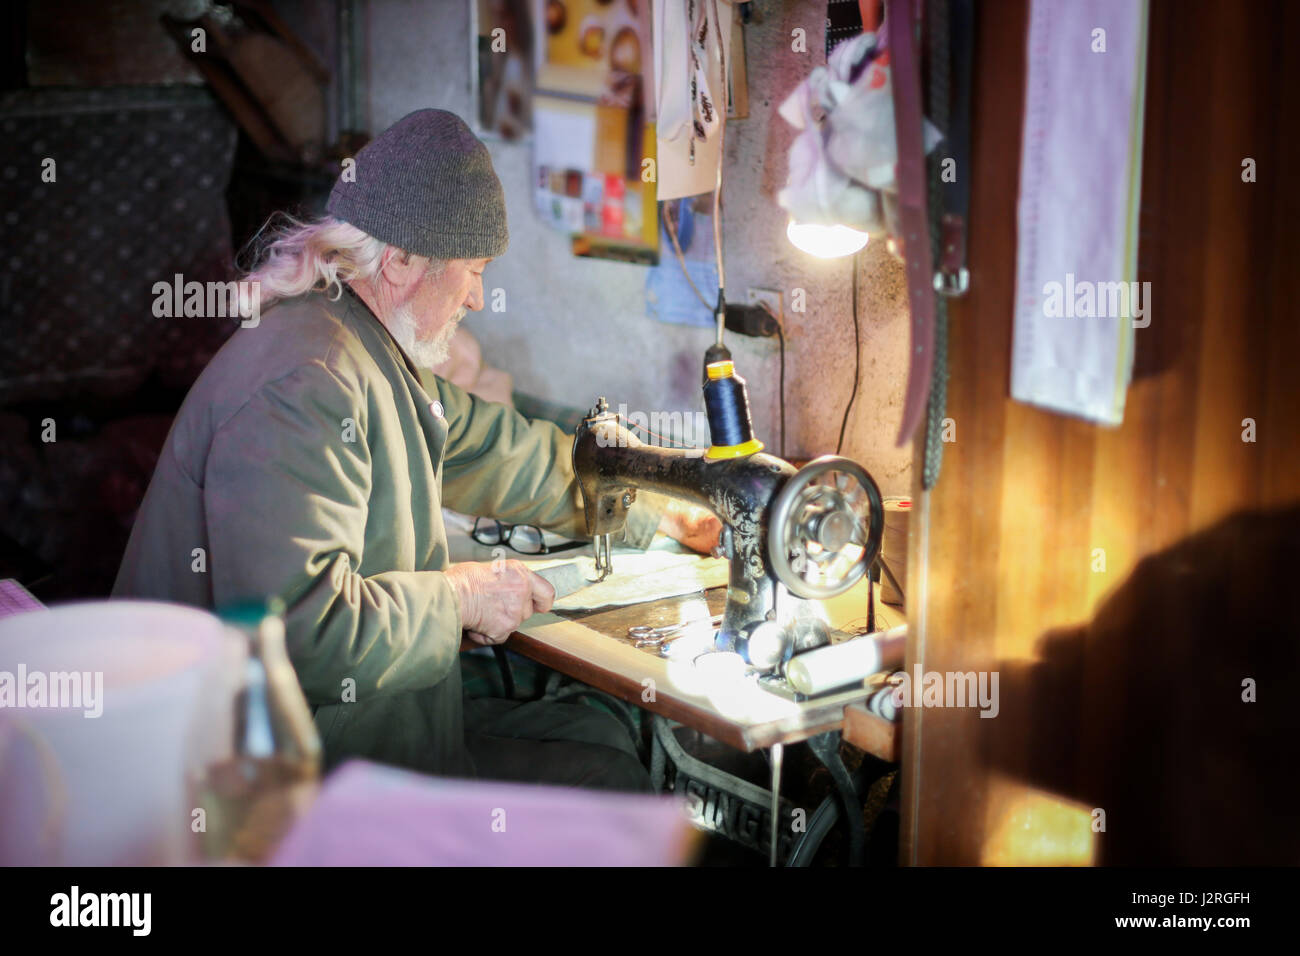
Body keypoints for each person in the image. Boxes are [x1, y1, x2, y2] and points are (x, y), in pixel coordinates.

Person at [114, 109, 720, 790]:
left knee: (600, 732)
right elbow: (301, 637)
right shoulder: (307, 384)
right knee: (609, 788)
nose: (479, 296)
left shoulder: (366, 346)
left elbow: (491, 448)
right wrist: (459, 599)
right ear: (402, 259)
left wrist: (649, 509)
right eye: (472, 271)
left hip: (349, 735)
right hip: (275, 782)